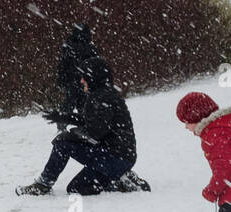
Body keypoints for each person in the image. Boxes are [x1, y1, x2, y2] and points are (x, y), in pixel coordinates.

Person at [17, 57, 145, 196]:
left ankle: (43, 185)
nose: (81, 81)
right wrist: (63, 116)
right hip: (119, 157)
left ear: (93, 77)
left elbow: (95, 132)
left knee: (62, 143)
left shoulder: (101, 97)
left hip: (115, 157)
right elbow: (92, 121)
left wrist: (72, 135)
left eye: (84, 77)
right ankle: (120, 179)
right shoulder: (103, 94)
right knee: (76, 187)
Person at [53, 23, 101, 133]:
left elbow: (62, 65)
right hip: (84, 80)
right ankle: (82, 124)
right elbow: (97, 65)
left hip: (72, 79)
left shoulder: (69, 46)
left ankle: (62, 123)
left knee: (70, 103)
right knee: (83, 103)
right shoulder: (90, 48)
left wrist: (61, 79)